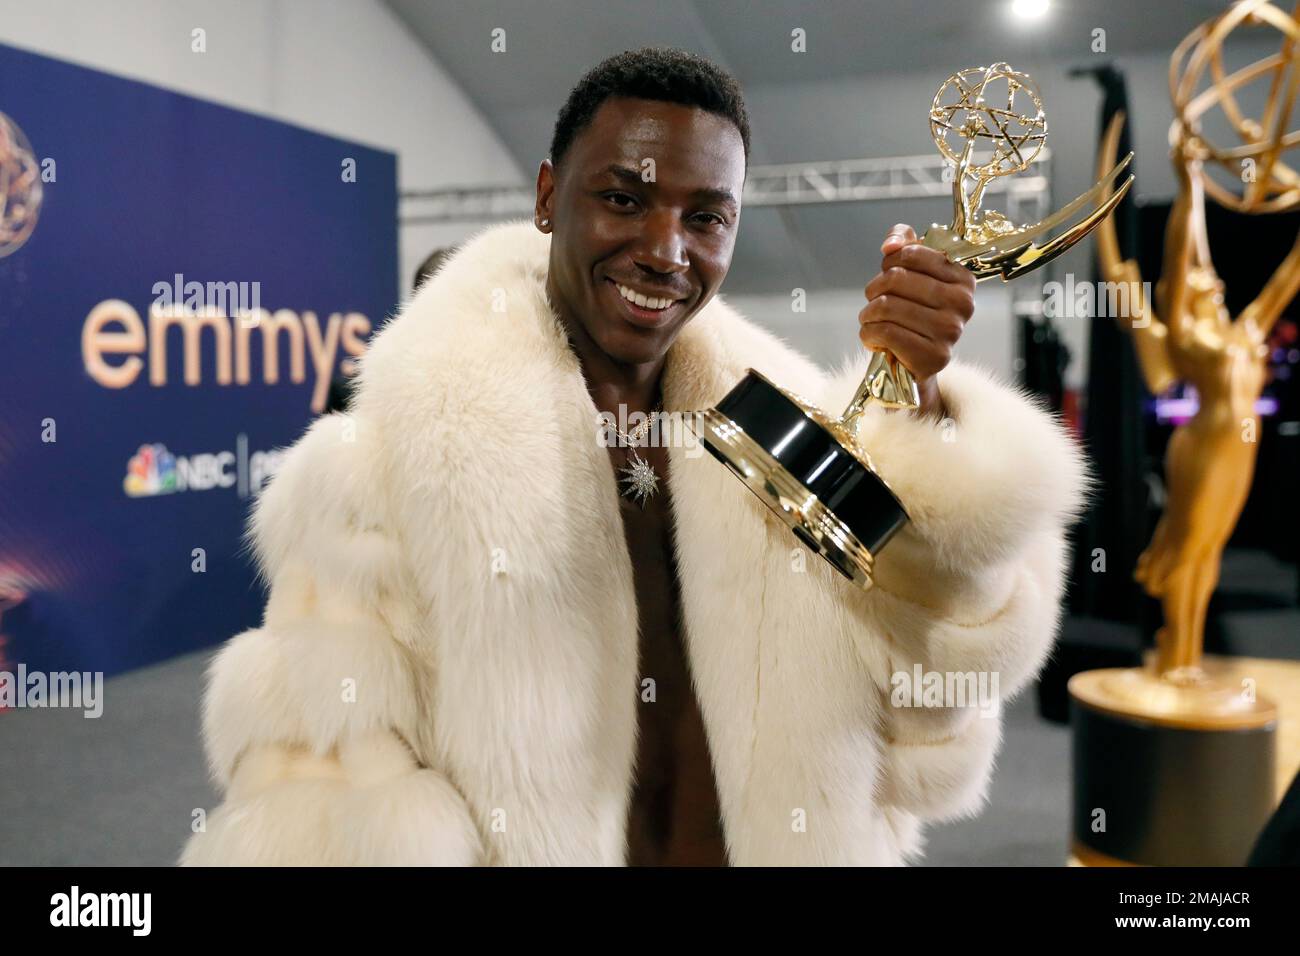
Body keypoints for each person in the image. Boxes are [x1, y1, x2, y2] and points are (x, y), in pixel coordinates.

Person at [181, 47, 1086, 867]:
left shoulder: (782, 430)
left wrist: (916, 410)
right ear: (547, 197)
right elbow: (322, 789)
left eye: (707, 217)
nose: (665, 252)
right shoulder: (392, 458)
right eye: (623, 199)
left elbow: (941, 688)